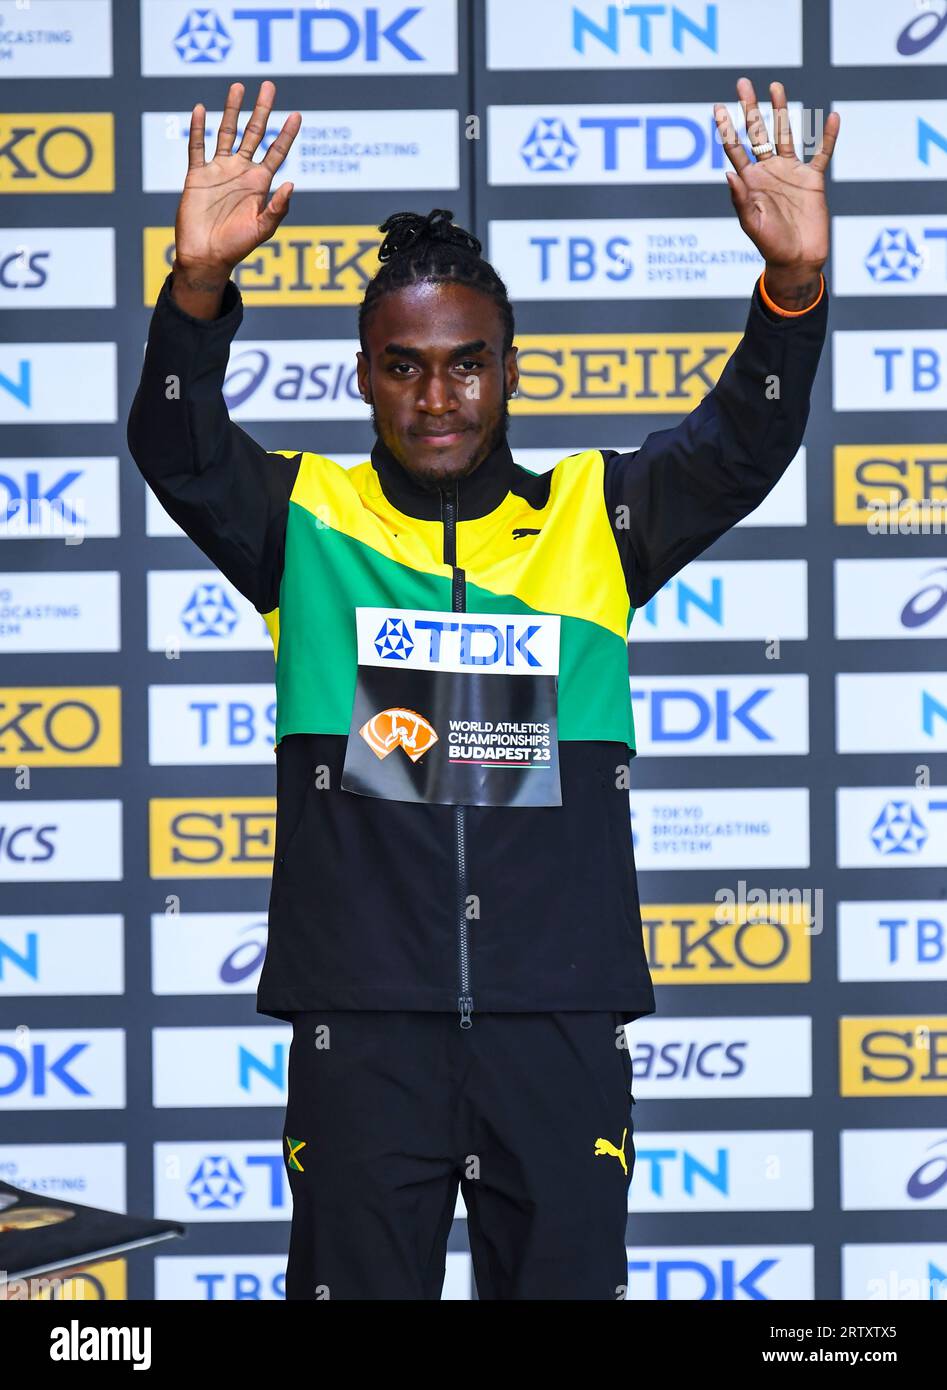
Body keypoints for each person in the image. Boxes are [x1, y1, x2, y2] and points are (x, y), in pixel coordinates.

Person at [127, 78, 838, 1300]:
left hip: (553, 1027)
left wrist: (788, 294)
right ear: (362, 377)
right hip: (366, 1033)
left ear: (510, 370)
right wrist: (195, 291)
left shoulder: (594, 518)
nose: (437, 396)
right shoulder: (302, 520)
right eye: (404, 368)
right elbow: (176, 442)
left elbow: (741, 444)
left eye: (465, 367)